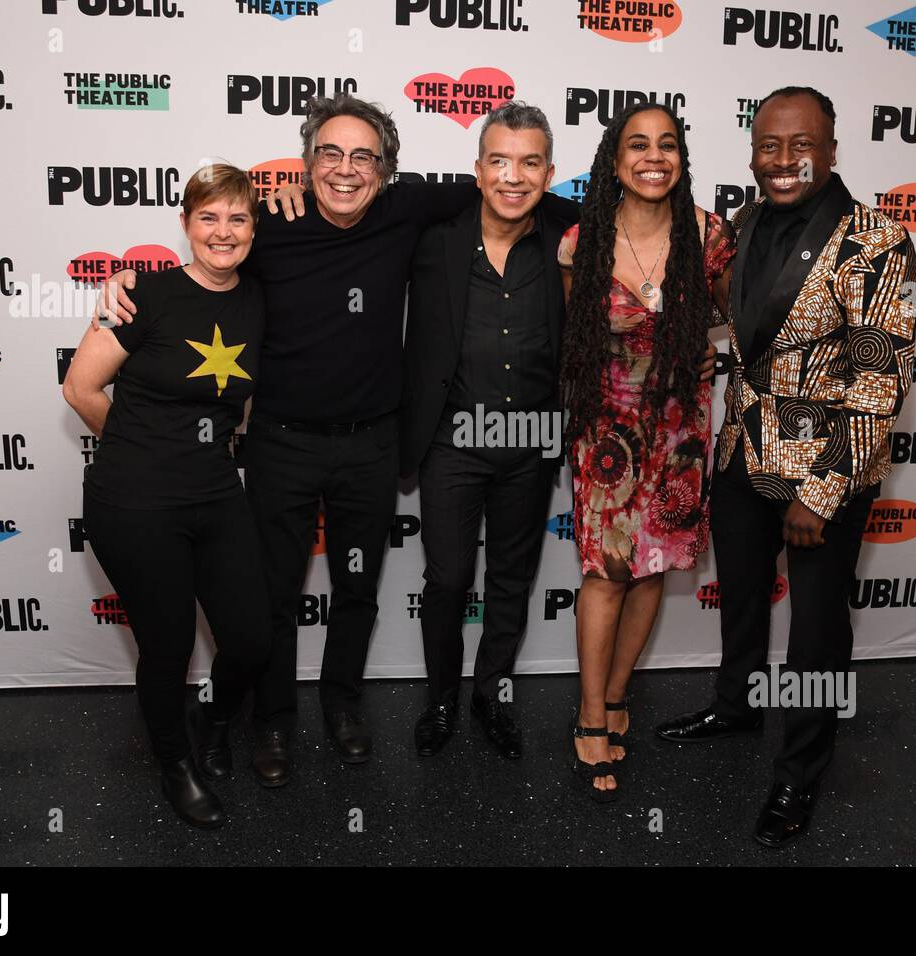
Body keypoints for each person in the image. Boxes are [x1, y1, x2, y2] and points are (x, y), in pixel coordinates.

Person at [97, 93, 575, 778]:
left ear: (385, 171)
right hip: (281, 444)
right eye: (329, 153)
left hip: (372, 443)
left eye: (363, 157)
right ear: (306, 162)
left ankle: (343, 704)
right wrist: (127, 283)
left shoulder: (406, 211)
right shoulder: (267, 226)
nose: (345, 170)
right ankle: (274, 722)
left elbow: (518, 194)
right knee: (274, 597)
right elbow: (206, 267)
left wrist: (629, 225)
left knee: (357, 587)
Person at [654, 87, 916, 847]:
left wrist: (822, 489)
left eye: (799, 144)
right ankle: (735, 707)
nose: (782, 160)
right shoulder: (741, 226)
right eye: (768, 145)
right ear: (752, 152)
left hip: (822, 475)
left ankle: (802, 770)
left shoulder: (876, 240)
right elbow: (752, 338)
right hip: (743, 453)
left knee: (815, 633)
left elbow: (880, 377)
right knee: (739, 597)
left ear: (831, 150)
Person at [63, 163, 269, 829]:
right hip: (134, 502)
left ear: (253, 227)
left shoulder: (259, 299)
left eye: (238, 217)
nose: (223, 230)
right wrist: (137, 449)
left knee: (249, 639)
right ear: (185, 225)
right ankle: (175, 765)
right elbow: (80, 390)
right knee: (169, 641)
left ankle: (212, 722)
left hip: (216, 492)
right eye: (208, 216)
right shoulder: (141, 295)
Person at [558, 103, 734, 801]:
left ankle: (622, 689)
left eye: (667, 144)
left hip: (681, 433)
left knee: (653, 570)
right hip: (607, 436)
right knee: (607, 574)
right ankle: (591, 711)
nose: (654, 156)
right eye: (638, 145)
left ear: (681, 158)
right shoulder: (582, 242)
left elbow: (734, 312)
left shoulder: (710, 236)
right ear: (615, 159)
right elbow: (572, 337)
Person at [400, 102, 578, 759]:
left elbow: (654, 245)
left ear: (549, 173)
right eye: (498, 161)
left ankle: (491, 695)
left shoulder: (570, 237)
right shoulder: (434, 235)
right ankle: (442, 699)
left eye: (529, 163)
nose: (513, 176)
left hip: (531, 440)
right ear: (477, 170)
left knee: (511, 578)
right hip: (452, 439)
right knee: (448, 581)